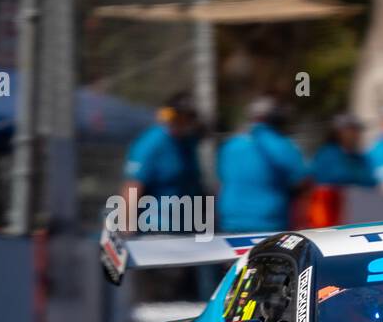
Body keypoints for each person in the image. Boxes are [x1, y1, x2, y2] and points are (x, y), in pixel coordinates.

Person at [217, 97, 310, 234]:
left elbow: (222, 178)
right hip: (268, 223)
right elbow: (301, 179)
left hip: (230, 222)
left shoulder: (230, 144)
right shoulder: (281, 144)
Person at [122, 91, 204, 226]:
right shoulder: (152, 143)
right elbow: (132, 186)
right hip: (156, 227)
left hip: (186, 225)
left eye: (188, 118)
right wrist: (127, 225)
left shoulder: (187, 142)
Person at [311, 114, 373, 187]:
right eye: (352, 130)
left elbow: (371, 179)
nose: (356, 134)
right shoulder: (327, 155)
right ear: (339, 132)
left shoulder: (359, 158)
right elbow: (339, 177)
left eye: (357, 130)